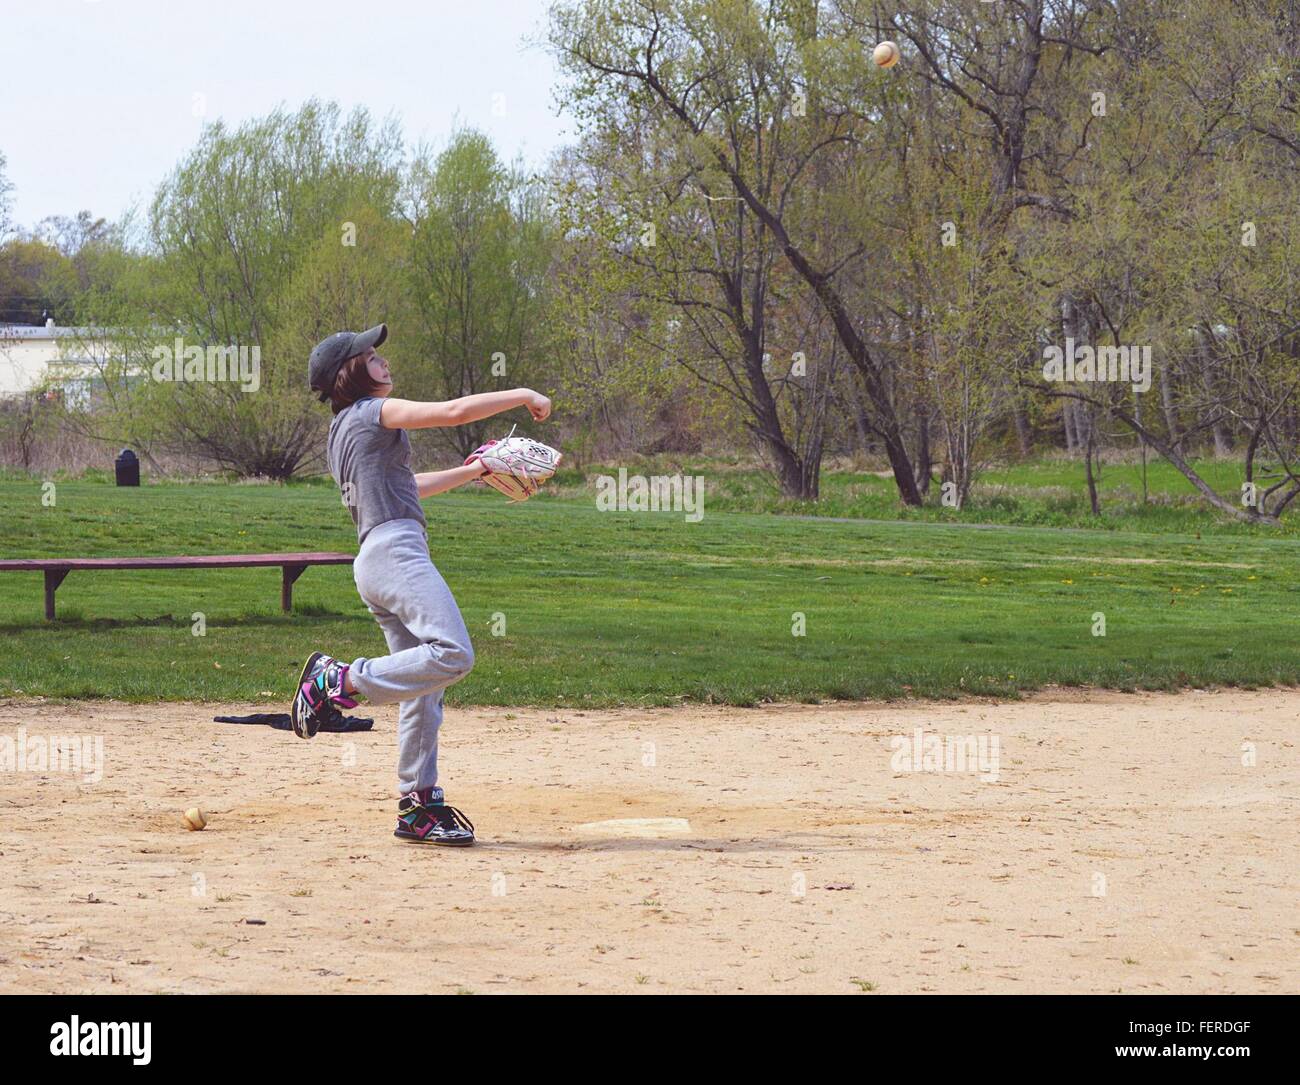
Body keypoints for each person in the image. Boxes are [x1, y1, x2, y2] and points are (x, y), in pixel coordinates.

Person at [292, 323, 552, 846]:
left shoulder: (344, 429)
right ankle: (336, 681)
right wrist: (523, 395)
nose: (381, 360)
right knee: (454, 654)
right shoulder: (373, 412)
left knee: (423, 689)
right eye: (369, 355)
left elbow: (408, 487)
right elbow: (453, 412)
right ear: (350, 373)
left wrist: (475, 470)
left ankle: (418, 805)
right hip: (397, 553)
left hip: (376, 559)